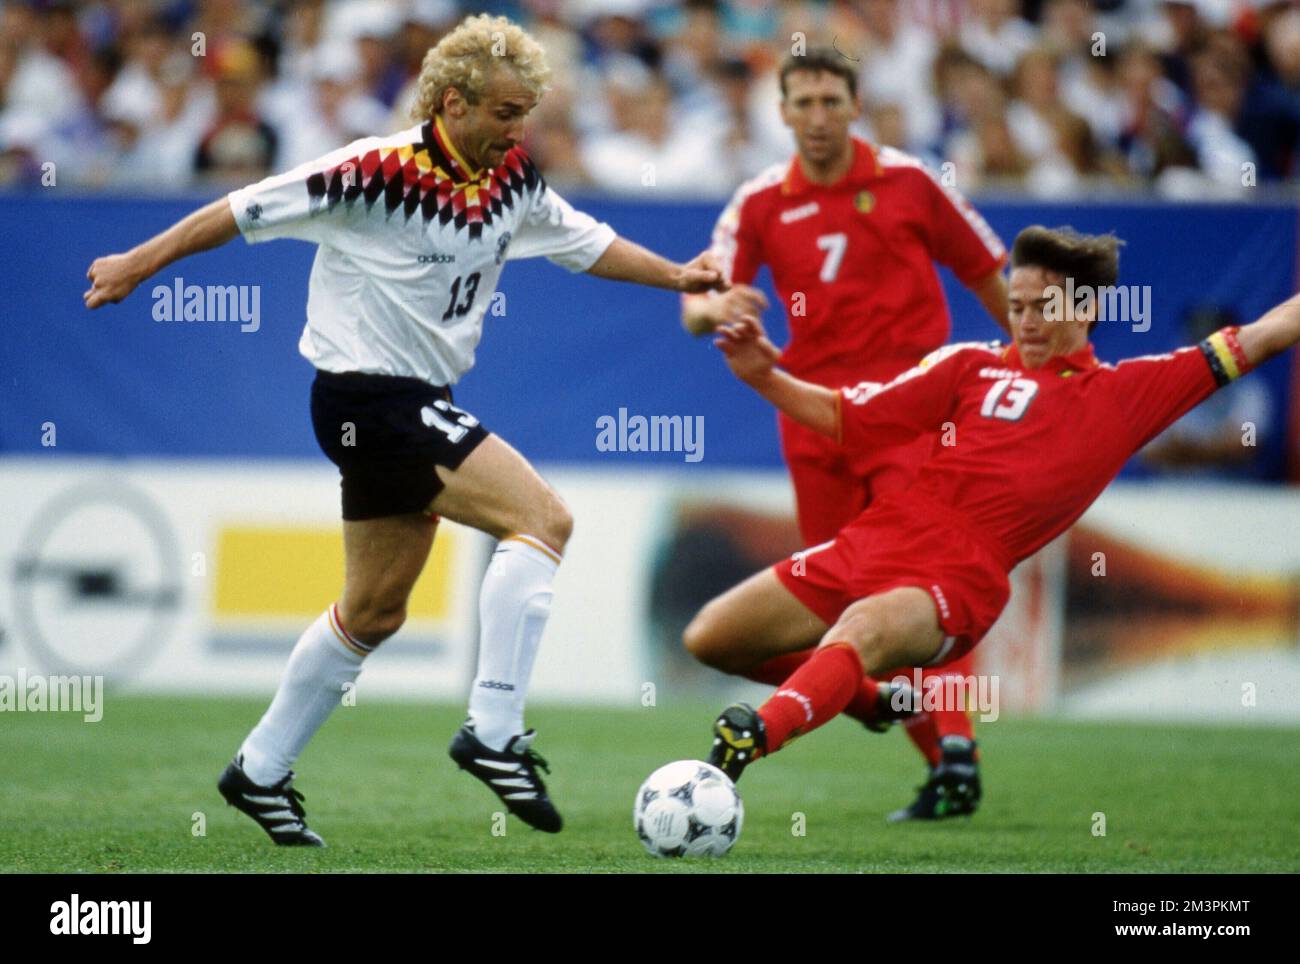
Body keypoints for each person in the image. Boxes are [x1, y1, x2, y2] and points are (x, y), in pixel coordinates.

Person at [83, 14, 725, 845]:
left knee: (375, 611)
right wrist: (138, 262)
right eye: (502, 112)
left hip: (412, 399)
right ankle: (494, 730)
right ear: (451, 102)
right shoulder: (372, 170)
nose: (517, 128)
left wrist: (681, 274)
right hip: (366, 399)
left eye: (525, 112)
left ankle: (259, 770)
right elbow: (240, 209)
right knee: (544, 520)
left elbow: (586, 244)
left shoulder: (513, 179)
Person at [687, 224, 1297, 786]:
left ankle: (752, 738)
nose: (1025, 321)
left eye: (1043, 307)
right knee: (713, 637)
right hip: (875, 539)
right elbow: (846, 418)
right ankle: (876, 701)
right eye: (1018, 306)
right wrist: (762, 377)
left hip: (960, 575)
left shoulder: (1125, 394)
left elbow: (1261, 337)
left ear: (1085, 309)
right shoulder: (968, 365)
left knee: (861, 630)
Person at [680, 45, 1008, 820]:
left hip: (911, 419)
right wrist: (714, 311)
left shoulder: (913, 182)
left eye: (832, 101)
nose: (819, 118)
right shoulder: (760, 201)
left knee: (917, 584)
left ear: (857, 106)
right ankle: (875, 702)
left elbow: (990, 273)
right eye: (804, 104)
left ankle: (953, 750)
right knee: (836, 605)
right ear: (783, 112)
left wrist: (1046, 371)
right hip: (813, 424)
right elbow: (699, 296)